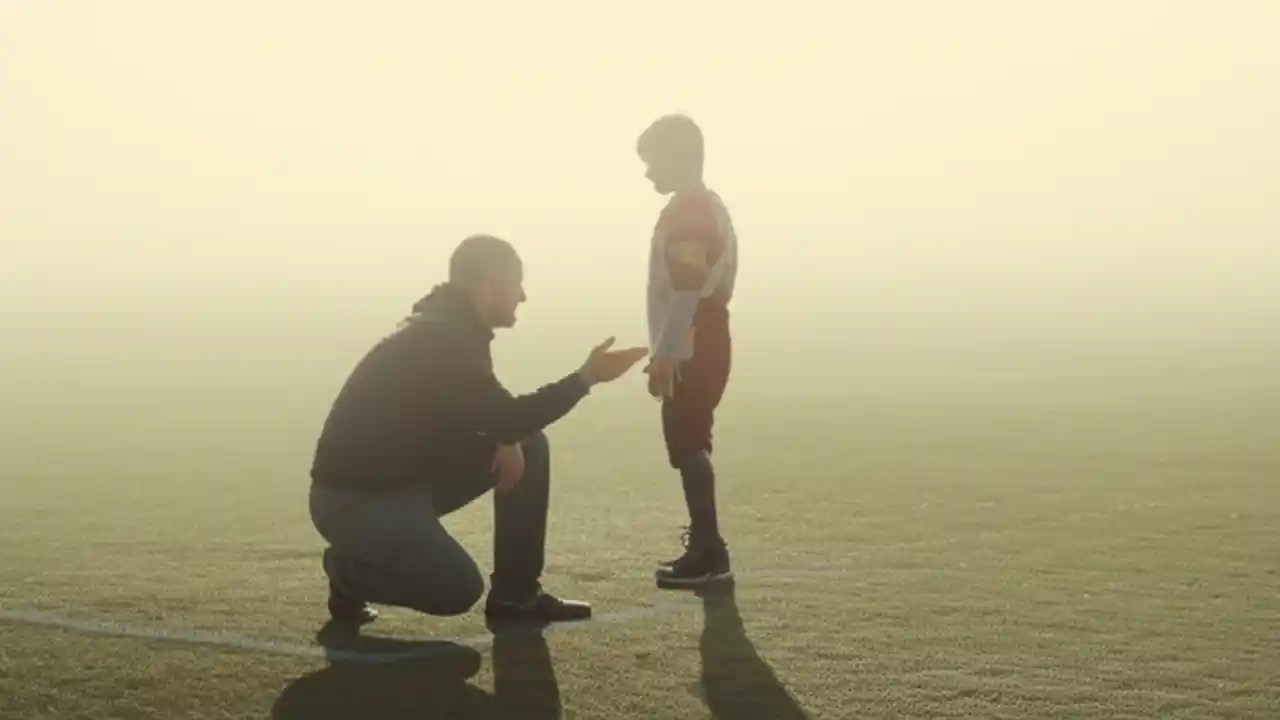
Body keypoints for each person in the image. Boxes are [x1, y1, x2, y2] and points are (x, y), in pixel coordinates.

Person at [308, 234, 647, 624]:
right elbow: (508, 416)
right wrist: (587, 377)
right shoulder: (445, 338)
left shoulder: (453, 327)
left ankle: (516, 597)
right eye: (517, 284)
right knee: (456, 589)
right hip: (354, 501)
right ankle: (347, 572)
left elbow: (479, 412)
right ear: (490, 286)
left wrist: (506, 436)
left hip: (403, 479)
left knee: (528, 444)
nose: (523, 297)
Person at [637, 114, 739, 589]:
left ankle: (708, 550)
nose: (648, 173)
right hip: (704, 333)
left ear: (677, 158)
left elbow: (686, 289)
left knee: (687, 439)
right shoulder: (702, 205)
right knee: (688, 438)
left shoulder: (690, 214)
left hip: (697, 338)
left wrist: (668, 352)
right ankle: (705, 545)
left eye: (653, 161)